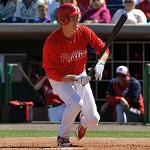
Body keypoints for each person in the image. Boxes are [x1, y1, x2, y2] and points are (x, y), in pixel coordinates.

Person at [42, 3, 109, 147]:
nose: (77, 21)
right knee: (75, 102)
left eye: (77, 17)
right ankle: (63, 137)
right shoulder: (52, 42)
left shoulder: (84, 31)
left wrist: (101, 63)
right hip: (60, 79)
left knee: (93, 118)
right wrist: (76, 79)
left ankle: (83, 123)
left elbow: (103, 48)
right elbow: (52, 72)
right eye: (73, 18)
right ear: (63, 20)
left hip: (80, 74)